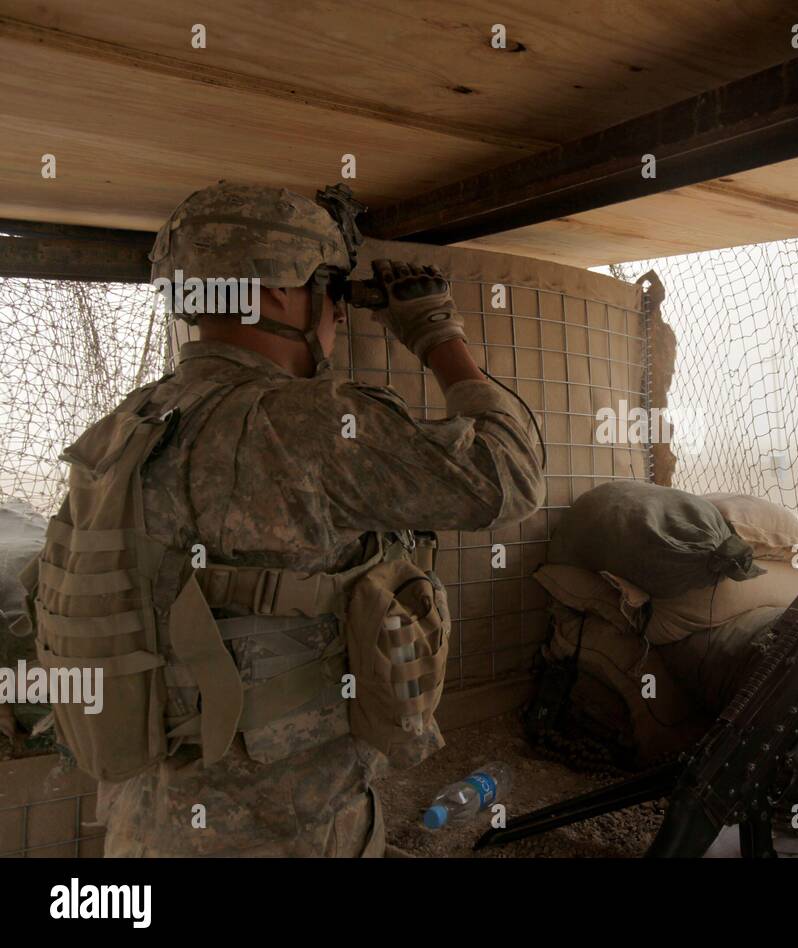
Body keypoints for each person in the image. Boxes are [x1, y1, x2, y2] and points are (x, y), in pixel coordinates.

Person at [24, 182, 544, 856]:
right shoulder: (305, 425)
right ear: (274, 292)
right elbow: (510, 480)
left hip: (149, 819)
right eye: (328, 288)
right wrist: (439, 334)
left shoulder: (125, 426)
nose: (336, 313)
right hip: (285, 822)